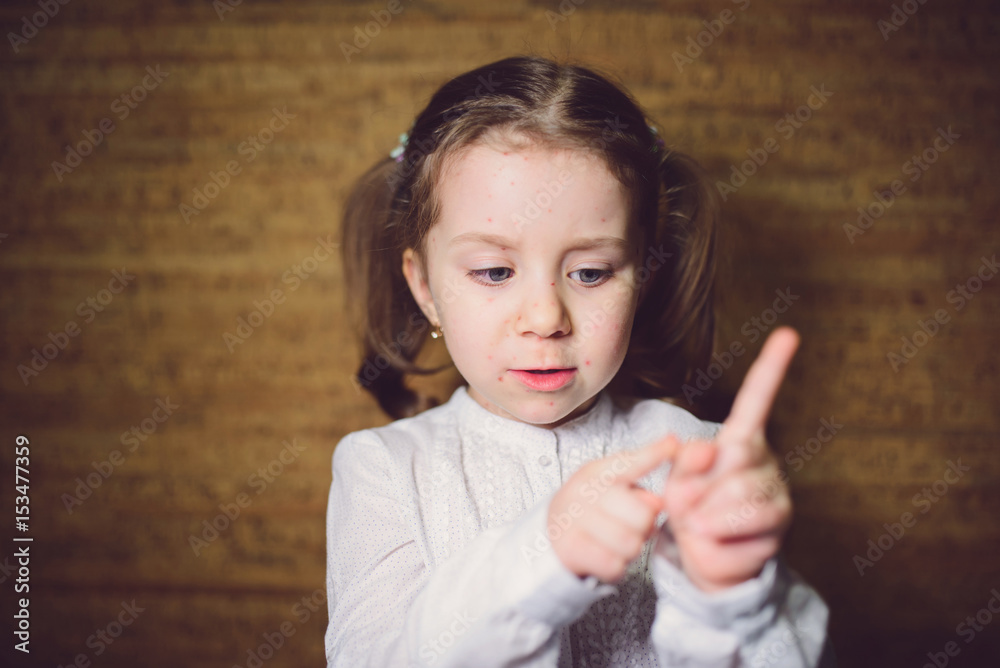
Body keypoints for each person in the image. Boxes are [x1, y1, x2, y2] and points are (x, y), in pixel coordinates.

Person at [326, 55, 835, 667]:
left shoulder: (700, 460)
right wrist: (538, 559)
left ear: (643, 276)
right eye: (494, 271)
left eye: (591, 272)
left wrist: (725, 598)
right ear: (425, 286)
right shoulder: (383, 472)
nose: (545, 318)